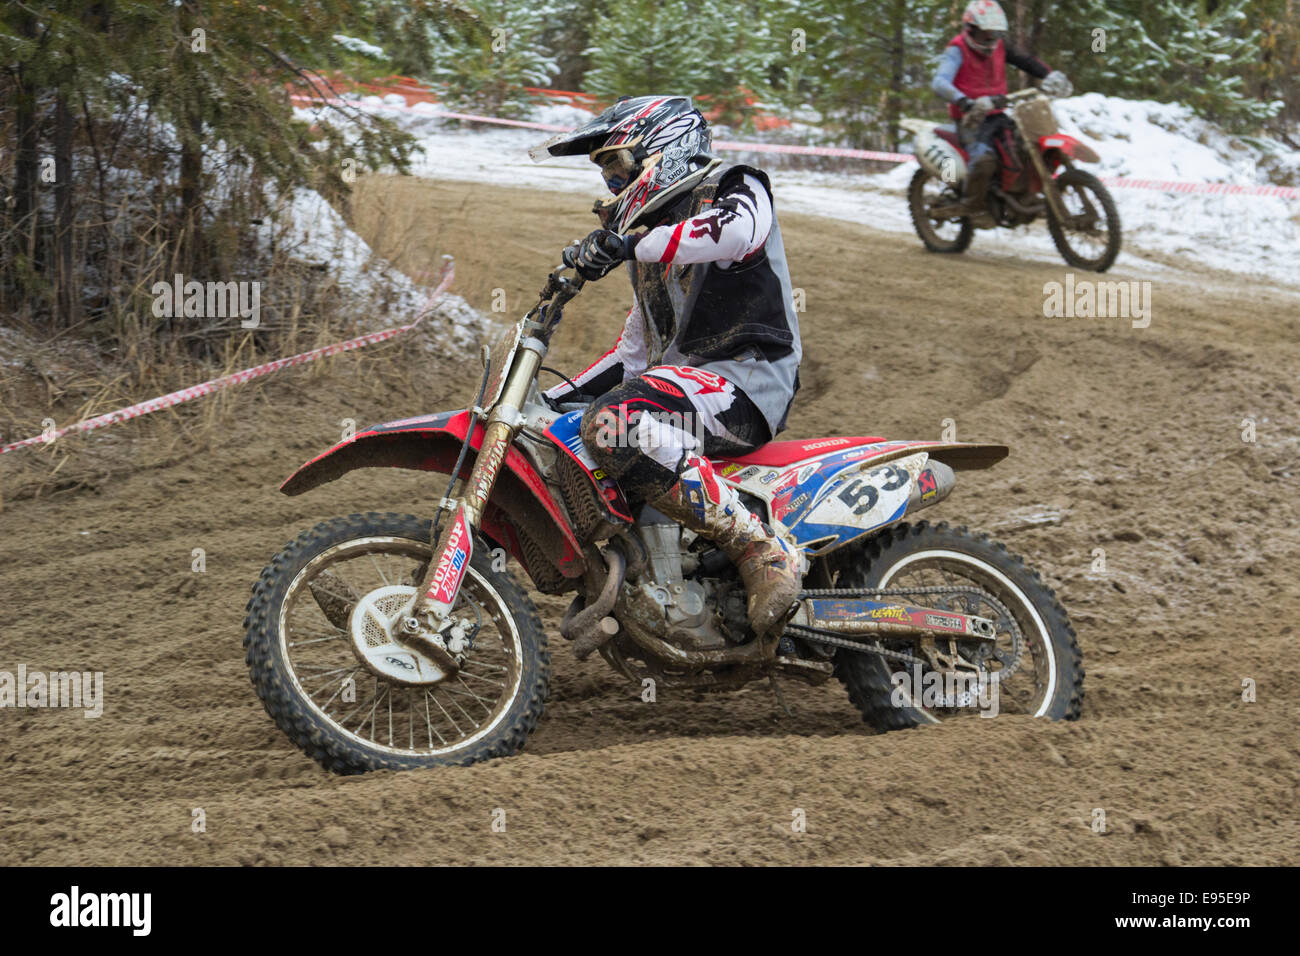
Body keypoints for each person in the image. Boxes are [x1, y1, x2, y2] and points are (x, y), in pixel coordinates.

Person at [528, 95, 803, 638]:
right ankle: (660, 582)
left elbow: (735, 233)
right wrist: (544, 403)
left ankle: (762, 549)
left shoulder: (735, 186)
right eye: (605, 170)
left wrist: (629, 244)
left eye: (617, 164)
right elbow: (631, 355)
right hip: (682, 389)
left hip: (747, 383)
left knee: (616, 421)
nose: (611, 181)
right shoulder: (652, 243)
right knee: (571, 429)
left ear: (664, 147)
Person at [932, 0, 1072, 217]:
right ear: (972, 29)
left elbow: (1026, 61)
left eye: (994, 32)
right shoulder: (957, 49)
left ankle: (1022, 195)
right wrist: (965, 102)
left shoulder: (999, 46)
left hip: (998, 114)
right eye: (985, 32)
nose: (990, 37)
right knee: (984, 160)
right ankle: (971, 206)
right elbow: (940, 82)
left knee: (1027, 148)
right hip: (971, 119)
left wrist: (1049, 74)